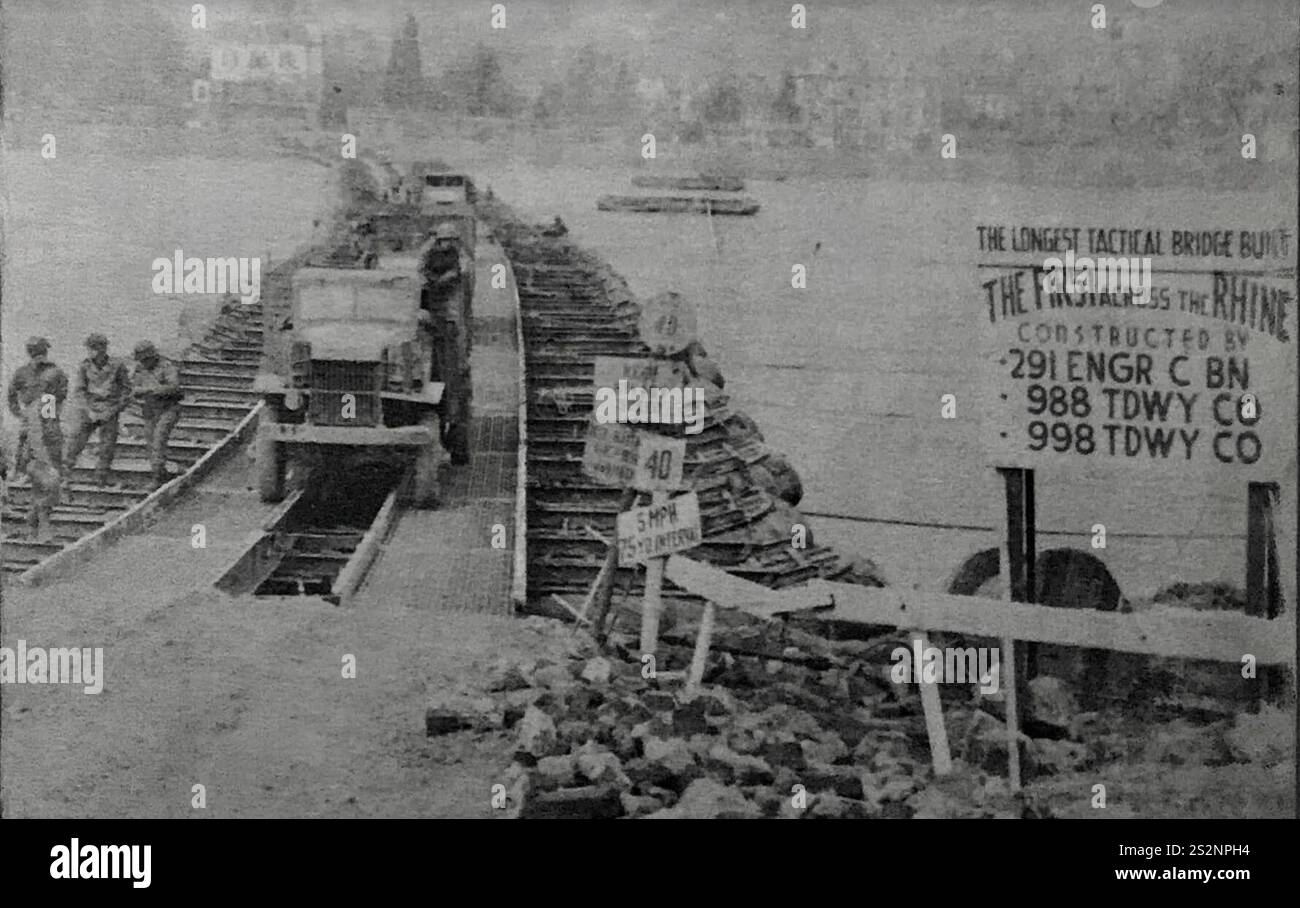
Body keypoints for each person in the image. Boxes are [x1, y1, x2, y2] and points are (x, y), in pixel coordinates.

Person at [6, 337, 68, 540]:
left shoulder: (53, 373)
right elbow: (12, 395)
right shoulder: (26, 373)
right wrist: (22, 414)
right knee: (47, 481)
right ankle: (40, 523)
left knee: (44, 483)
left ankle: (36, 523)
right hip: (37, 433)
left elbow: (57, 397)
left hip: (42, 429)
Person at [64, 333, 132, 486]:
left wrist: (113, 410)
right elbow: (79, 391)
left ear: (104, 348)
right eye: (90, 348)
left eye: (96, 348)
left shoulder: (117, 366)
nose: (92, 351)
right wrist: (88, 411)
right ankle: (65, 473)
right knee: (76, 441)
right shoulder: (85, 366)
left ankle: (101, 477)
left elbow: (126, 392)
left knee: (107, 445)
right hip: (90, 409)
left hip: (110, 408)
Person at [130, 340, 185, 489]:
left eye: (146, 359)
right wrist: (140, 391)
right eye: (141, 360)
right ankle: (161, 471)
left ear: (153, 356)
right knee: (150, 444)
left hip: (168, 408)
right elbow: (133, 388)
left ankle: (157, 478)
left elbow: (174, 387)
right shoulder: (140, 369)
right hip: (150, 410)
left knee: (159, 439)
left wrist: (151, 389)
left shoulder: (167, 366)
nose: (144, 362)